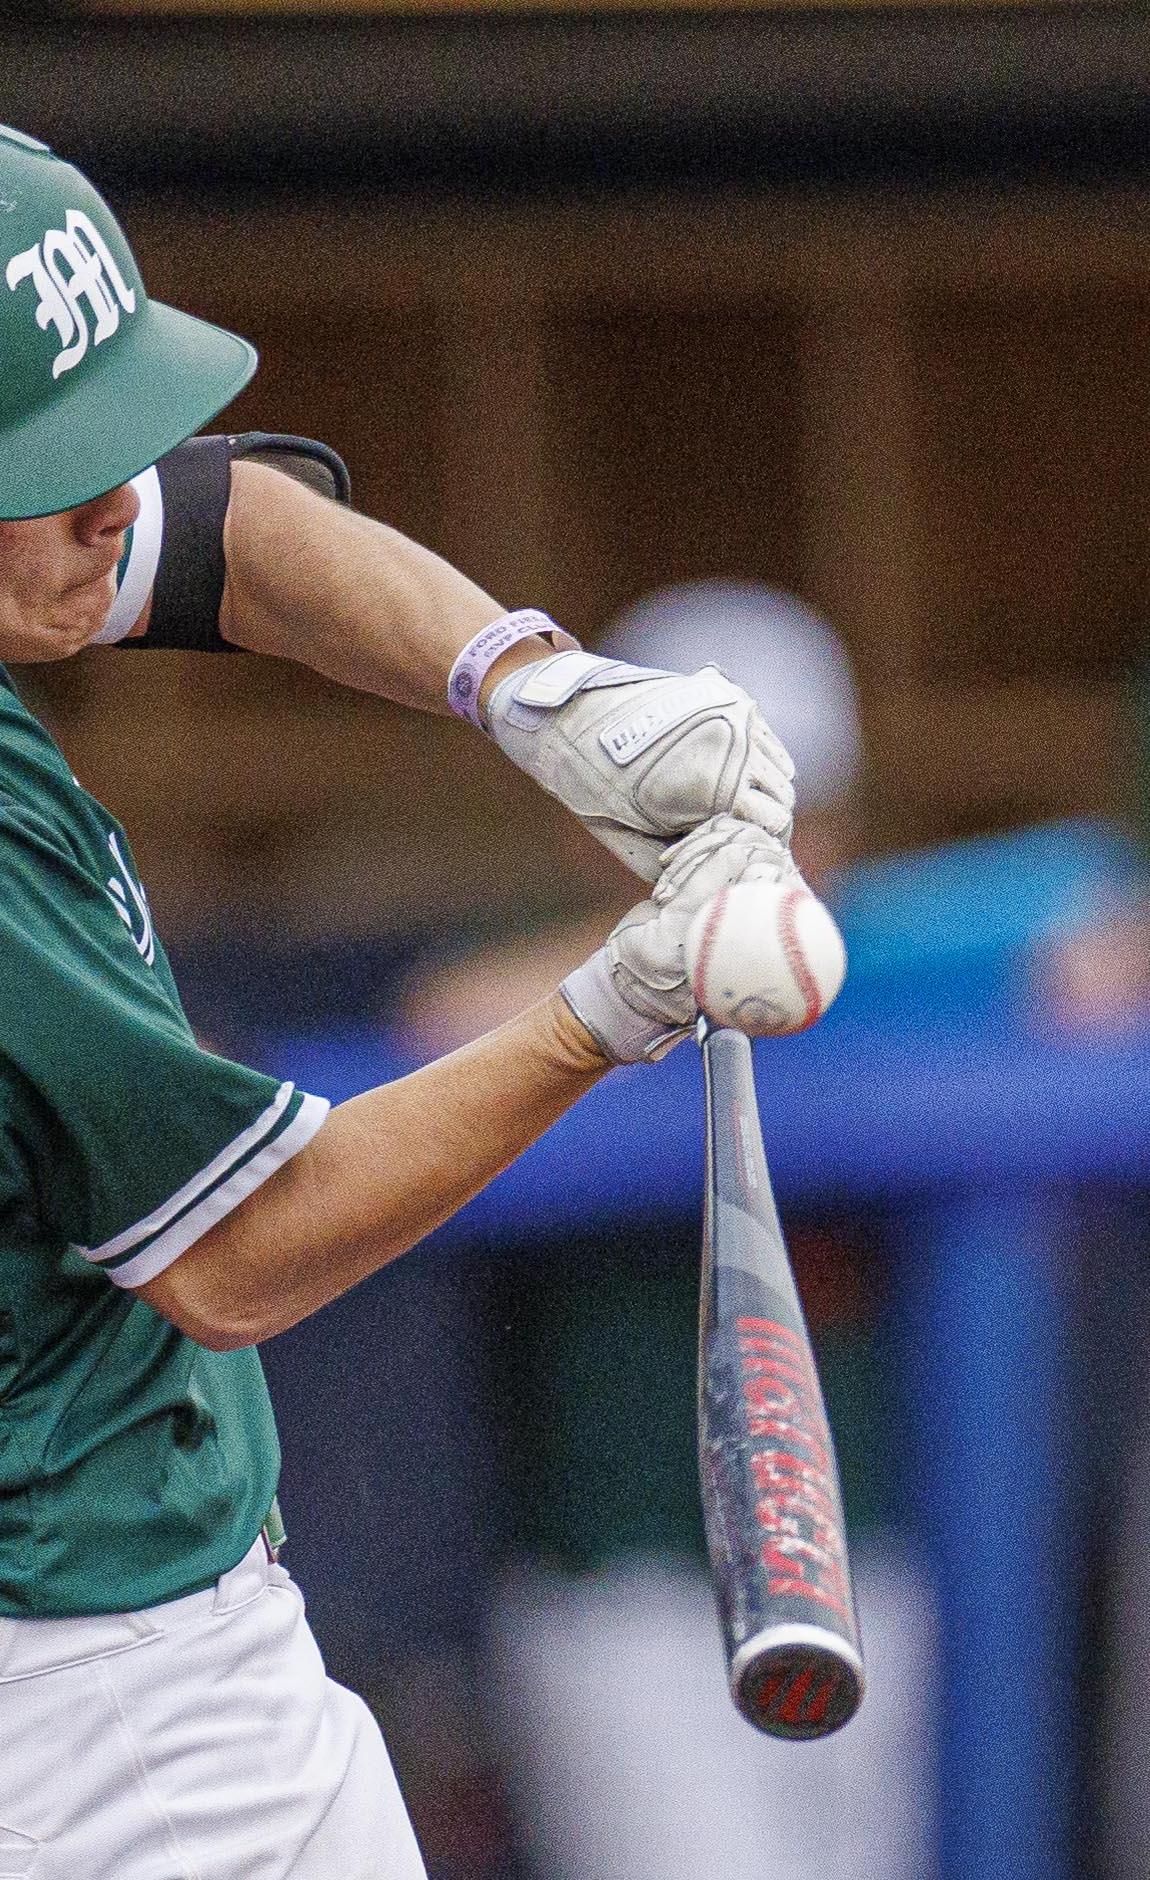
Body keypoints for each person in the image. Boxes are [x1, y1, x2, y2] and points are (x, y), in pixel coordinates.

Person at [0, 106, 801, 1879]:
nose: (111, 504)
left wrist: (539, 689)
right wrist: (619, 998)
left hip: (19, 1684)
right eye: (36, 474)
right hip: (74, 1731)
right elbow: (240, 1251)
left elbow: (213, 525)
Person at [404, 582, 931, 1880]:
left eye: (787, 805)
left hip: (872, 1568)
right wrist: (671, 936)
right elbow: (428, 1021)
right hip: (626, 1592)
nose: (762, 840)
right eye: (702, 804)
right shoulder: (561, 980)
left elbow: (1087, 947)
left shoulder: (903, 959)